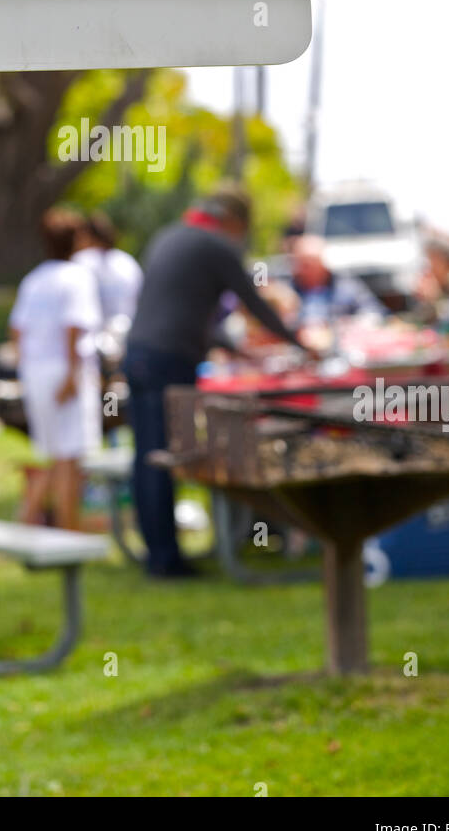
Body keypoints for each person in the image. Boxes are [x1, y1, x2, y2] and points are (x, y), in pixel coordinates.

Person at [124, 185, 310, 578]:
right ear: (232, 221)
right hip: (168, 360)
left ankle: (156, 549)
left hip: (140, 353)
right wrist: (302, 344)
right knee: (163, 455)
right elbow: (255, 304)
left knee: (146, 455)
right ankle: (164, 561)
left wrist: (242, 352)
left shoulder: (171, 236)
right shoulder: (215, 246)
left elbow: (185, 312)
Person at [10, 208, 103, 530]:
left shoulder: (33, 280)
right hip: (65, 372)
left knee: (51, 456)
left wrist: (27, 369)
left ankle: (27, 523)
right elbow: (74, 327)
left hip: (37, 372)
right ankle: (68, 533)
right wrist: (72, 374)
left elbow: (17, 331)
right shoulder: (78, 277)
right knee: (69, 460)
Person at [289, 236, 386, 328]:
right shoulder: (286, 290)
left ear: (323, 262)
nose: (305, 268)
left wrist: (350, 323)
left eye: (311, 262)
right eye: (301, 262)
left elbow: (373, 311)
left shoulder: (347, 288)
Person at [73, 211, 143, 327]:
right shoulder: (127, 261)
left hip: (92, 336)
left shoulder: (81, 260)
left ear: (87, 236)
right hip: (126, 332)